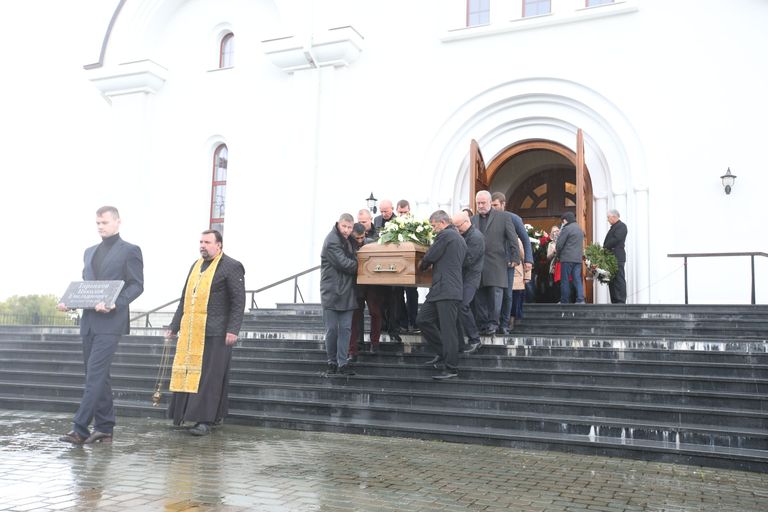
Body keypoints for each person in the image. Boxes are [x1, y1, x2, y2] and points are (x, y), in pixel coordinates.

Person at [57, 206, 144, 444]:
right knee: (98, 375)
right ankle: (105, 427)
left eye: (104, 222)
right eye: (97, 223)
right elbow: (86, 285)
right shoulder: (89, 252)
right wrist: (71, 302)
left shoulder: (130, 250)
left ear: (117, 222)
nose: (100, 227)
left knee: (94, 375)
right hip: (89, 322)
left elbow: (137, 285)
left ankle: (80, 428)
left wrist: (116, 303)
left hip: (111, 323)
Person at [166, 229, 246, 436]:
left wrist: (233, 329)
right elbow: (184, 298)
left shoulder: (232, 266)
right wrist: (174, 327)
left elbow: (238, 302)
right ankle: (184, 414)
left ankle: (205, 420)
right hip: (193, 331)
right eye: (201, 242)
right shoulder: (196, 266)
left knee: (211, 377)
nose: (202, 245)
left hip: (217, 332)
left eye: (207, 242)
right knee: (190, 373)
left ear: (218, 245)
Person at [417, 210, 467, 379]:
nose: (433, 229)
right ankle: (443, 352)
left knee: (448, 330)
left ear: (442, 222)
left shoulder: (446, 235)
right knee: (423, 320)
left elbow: (431, 255)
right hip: (443, 289)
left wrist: (421, 265)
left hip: (446, 289)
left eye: (434, 226)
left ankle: (451, 367)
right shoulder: (459, 238)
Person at [471, 190, 520, 335]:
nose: (480, 206)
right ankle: (483, 324)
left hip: (497, 263)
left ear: (489, 202)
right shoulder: (472, 220)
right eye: (478, 203)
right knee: (480, 297)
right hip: (478, 265)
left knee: (496, 296)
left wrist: (515, 257)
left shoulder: (504, 217)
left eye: (483, 203)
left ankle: (494, 324)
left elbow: (513, 238)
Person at [320, 213, 358, 376]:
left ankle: (342, 363)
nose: (347, 230)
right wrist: (364, 266)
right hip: (332, 292)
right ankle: (332, 362)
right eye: (344, 226)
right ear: (338, 224)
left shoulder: (349, 240)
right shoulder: (332, 240)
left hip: (347, 291)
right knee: (332, 330)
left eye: (350, 227)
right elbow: (344, 264)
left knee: (345, 329)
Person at [490, 192, 533, 332]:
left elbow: (525, 239)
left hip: (509, 262)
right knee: (492, 293)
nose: (493, 208)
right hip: (492, 263)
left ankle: (505, 324)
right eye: (491, 205)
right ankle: (492, 323)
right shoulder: (488, 218)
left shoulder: (513, 218)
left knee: (508, 294)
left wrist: (528, 260)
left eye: (495, 205)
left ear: (503, 204)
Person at [348, 223, 382, 360]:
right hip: (355, 285)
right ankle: (353, 350)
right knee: (354, 318)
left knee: (376, 313)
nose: (360, 240)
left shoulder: (371, 244)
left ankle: (375, 343)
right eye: (357, 238)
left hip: (371, 284)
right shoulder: (346, 246)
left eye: (362, 237)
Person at [452, 211, 484, 354]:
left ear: (467, 222)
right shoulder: (463, 234)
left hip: (471, 277)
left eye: (458, 226)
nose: (457, 229)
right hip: (461, 277)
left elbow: (469, 259)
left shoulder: (476, 237)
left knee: (463, 305)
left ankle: (475, 339)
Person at [372, 199, 402, 341]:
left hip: (395, 265)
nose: (383, 214)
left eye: (386, 211)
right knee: (381, 298)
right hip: (380, 264)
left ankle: (393, 327)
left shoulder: (399, 221)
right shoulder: (377, 220)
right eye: (381, 211)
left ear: (392, 208)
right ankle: (383, 324)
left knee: (394, 300)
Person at [394, 199, 419, 333]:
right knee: (398, 296)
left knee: (412, 295)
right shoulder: (393, 225)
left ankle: (414, 322)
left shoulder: (416, 225)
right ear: (397, 211)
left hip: (410, 267)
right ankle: (403, 323)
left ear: (409, 210)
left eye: (405, 212)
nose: (403, 214)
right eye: (400, 212)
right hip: (397, 267)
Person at [555, 212, 585, 304]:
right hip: (578, 259)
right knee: (577, 279)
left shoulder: (567, 229)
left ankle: (564, 301)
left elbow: (559, 245)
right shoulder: (579, 229)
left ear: (565, 220)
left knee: (565, 280)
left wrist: (558, 255)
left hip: (567, 259)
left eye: (562, 221)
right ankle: (580, 299)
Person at [603, 209, 628, 304]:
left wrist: (605, 247)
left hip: (617, 257)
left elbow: (617, 239)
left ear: (614, 217)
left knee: (619, 279)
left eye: (608, 217)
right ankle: (614, 300)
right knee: (612, 280)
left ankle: (621, 301)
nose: (607, 220)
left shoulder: (621, 226)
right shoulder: (614, 227)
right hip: (611, 257)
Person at [547, 225, 561, 303]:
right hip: (554, 267)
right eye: (554, 231)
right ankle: (556, 300)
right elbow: (548, 257)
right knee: (555, 285)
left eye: (557, 231)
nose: (556, 233)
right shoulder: (551, 244)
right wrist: (553, 252)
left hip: (562, 266)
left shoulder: (563, 241)